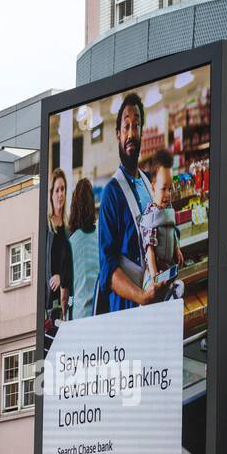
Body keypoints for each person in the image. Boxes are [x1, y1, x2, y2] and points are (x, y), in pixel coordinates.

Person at [96, 92, 159, 314]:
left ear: (142, 132)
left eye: (136, 126)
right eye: (126, 127)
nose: (131, 133)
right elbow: (108, 268)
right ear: (118, 135)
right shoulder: (111, 194)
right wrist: (141, 296)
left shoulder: (146, 182)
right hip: (127, 312)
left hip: (154, 304)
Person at [139, 160, 183, 300]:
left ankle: (171, 291)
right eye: (163, 189)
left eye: (170, 189)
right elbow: (149, 249)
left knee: (169, 285)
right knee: (158, 294)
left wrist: (177, 249)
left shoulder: (168, 209)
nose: (168, 194)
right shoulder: (152, 215)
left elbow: (172, 231)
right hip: (156, 268)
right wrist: (154, 275)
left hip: (168, 264)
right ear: (153, 188)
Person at [67, 177, 100, 320]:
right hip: (102, 312)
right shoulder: (101, 234)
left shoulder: (70, 243)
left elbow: (66, 293)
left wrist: (65, 313)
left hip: (80, 316)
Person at [46, 168, 72, 338]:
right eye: (57, 190)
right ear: (51, 194)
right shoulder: (46, 227)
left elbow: (71, 261)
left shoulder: (69, 225)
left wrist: (62, 277)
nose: (61, 194)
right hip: (50, 300)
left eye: (63, 189)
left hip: (67, 297)